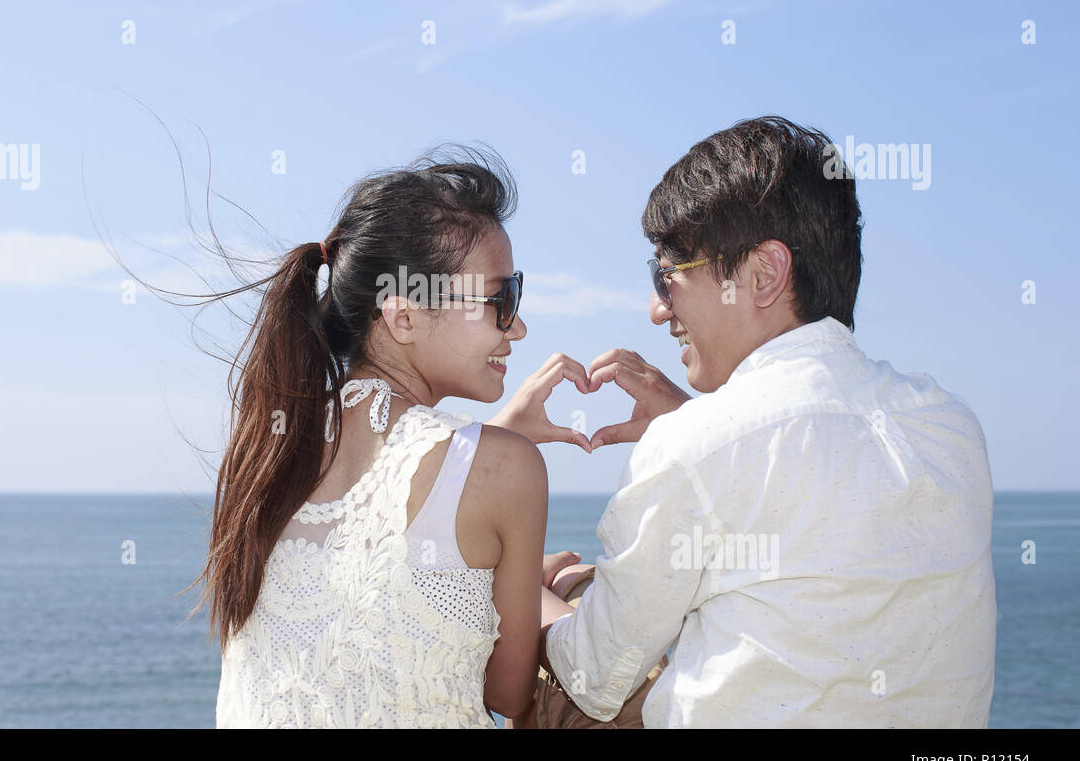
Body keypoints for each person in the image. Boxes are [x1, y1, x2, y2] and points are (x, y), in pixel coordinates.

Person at [508, 116, 997, 727]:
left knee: (562, 603)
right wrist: (697, 426)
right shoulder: (951, 424)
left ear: (764, 275)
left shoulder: (700, 445)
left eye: (669, 274)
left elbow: (593, 677)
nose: (658, 309)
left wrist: (521, 579)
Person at [201, 147, 555, 727]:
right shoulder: (506, 470)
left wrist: (480, 452)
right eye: (500, 298)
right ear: (404, 316)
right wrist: (537, 589)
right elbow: (509, 696)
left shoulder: (266, 448)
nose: (517, 324)